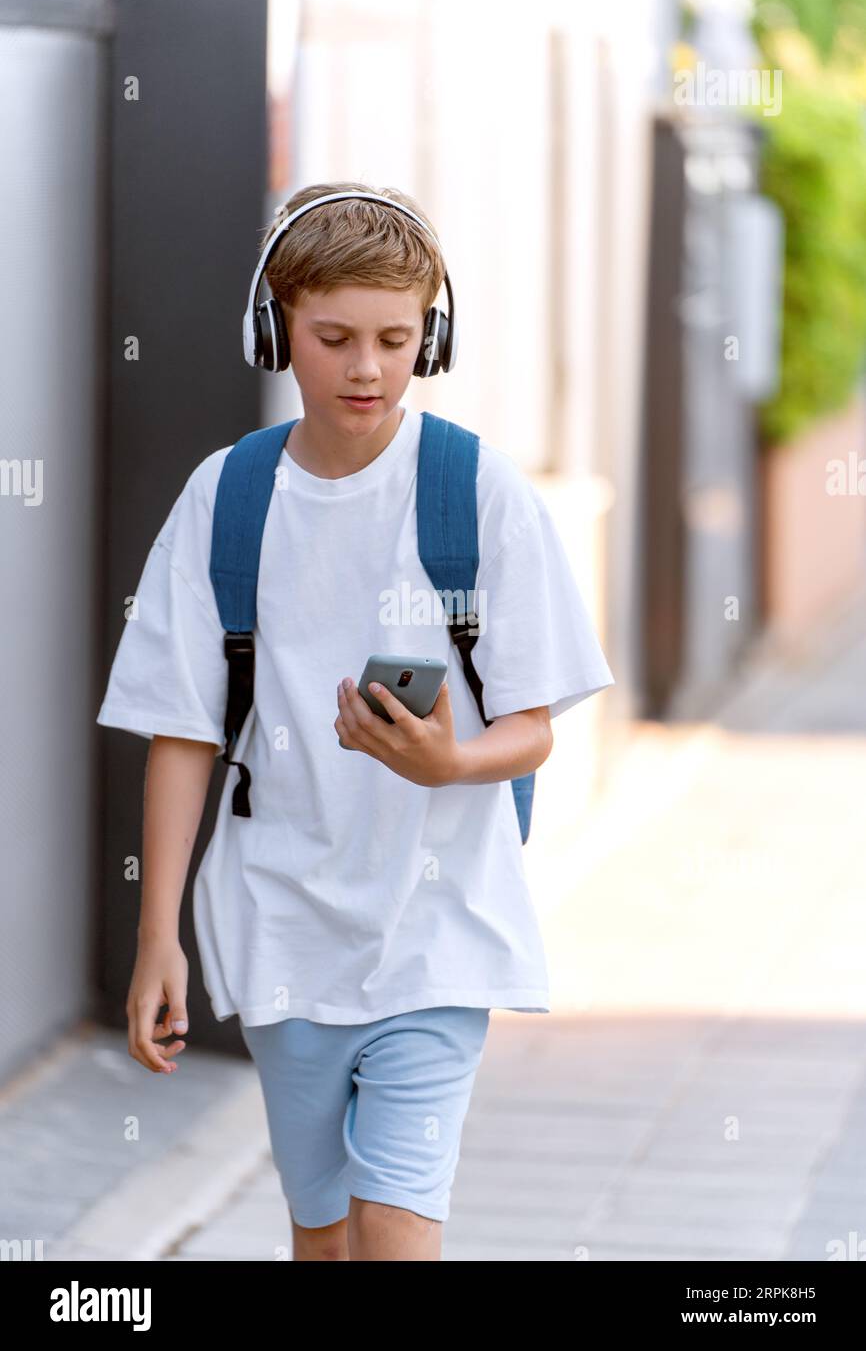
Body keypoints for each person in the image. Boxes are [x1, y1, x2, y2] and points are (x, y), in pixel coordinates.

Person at [96, 180, 615, 1261]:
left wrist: (449, 760)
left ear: (431, 337)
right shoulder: (226, 497)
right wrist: (159, 942)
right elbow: (184, 728)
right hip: (281, 920)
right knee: (324, 1237)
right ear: (274, 326)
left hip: (441, 929)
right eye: (332, 337)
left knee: (392, 1227)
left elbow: (534, 724)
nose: (366, 367)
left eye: (394, 337)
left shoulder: (475, 492)